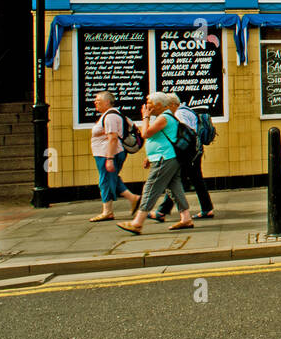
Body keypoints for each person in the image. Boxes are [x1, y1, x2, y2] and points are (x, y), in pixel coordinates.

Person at [117, 91, 194, 234]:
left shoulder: (164, 117)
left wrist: (145, 116)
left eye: (149, 102)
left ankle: (137, 222)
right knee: (174, 188)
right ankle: (186, 218)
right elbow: (159, 139)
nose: (146, 105)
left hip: (164, 159)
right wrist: (149, 156)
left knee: (151, 187)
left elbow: (146, 134)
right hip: (167, 157)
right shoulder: (165, 117)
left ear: (159, 105)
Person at [151, 92, 214, 221]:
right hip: (195, 150)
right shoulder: (187, 110)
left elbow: (185, 132)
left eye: (167, 105)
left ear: (174, 104)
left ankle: (162, 211)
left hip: (188, 153)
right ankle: (207, 208)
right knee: (195, 180)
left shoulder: (180, 113)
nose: (165, 108)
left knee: (176, 180)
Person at [88, 90, 140, 221]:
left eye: (98, 101)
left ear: (107, 102)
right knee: (112, 178)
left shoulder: (110, 116)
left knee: (105, 181)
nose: (95, 103)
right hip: (106, 153)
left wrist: (109, 159)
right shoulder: (112, 114)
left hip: (108, 153)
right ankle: (133, 198)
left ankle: (107, 211)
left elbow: (113, 138)